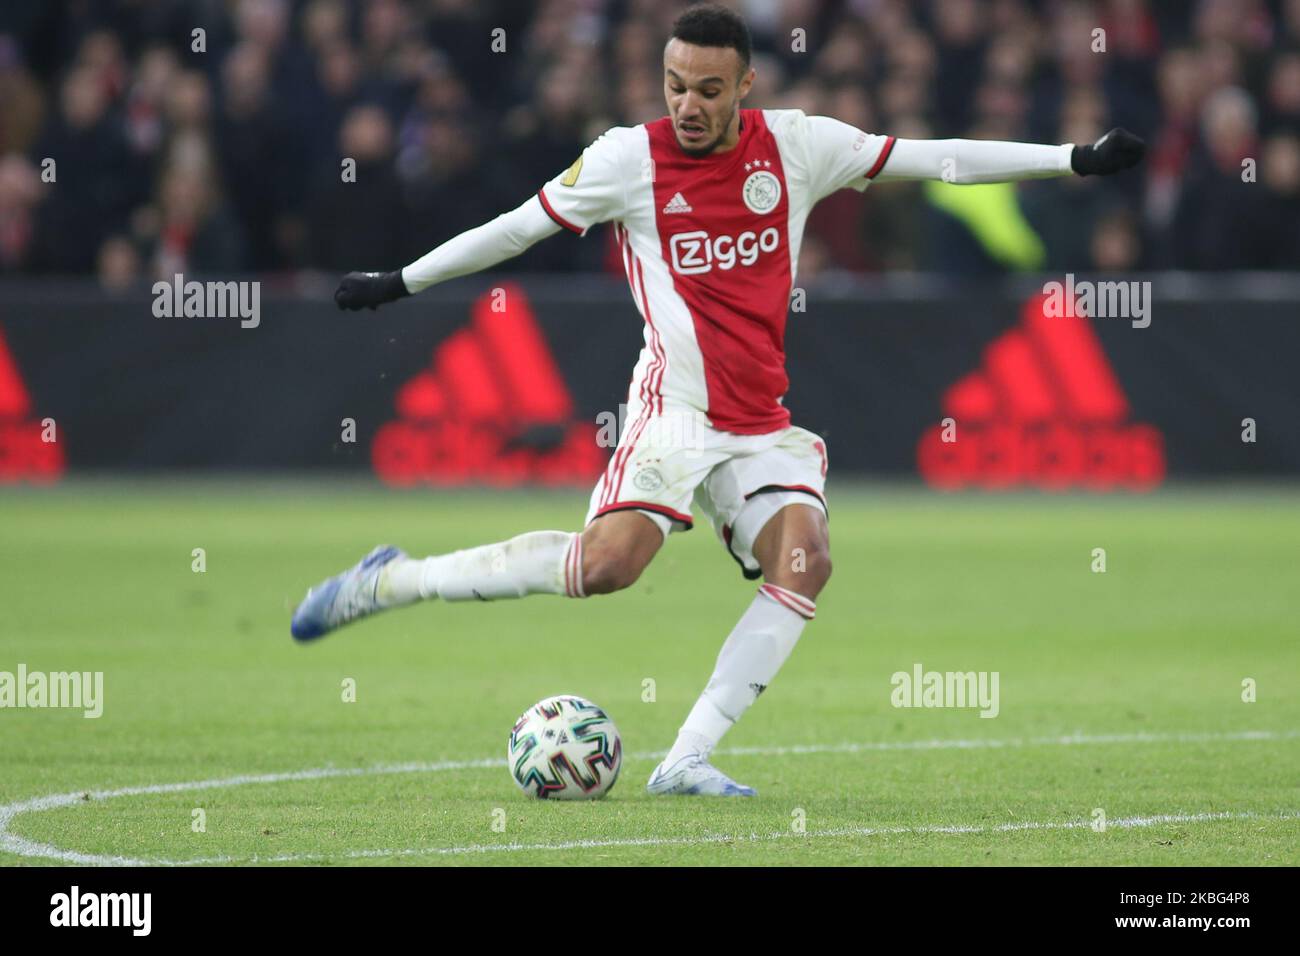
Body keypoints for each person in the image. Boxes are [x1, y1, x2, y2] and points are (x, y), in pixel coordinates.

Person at [291, 3, 1144, 796]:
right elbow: (518, 226)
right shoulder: (630, 159)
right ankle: (394, 583)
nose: (688, 104)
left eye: (707, 88)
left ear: (745, 86)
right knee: (608, 568)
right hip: (675, 411)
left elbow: (936, 159)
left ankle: (687, 757)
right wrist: (401, 282)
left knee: (805, 558)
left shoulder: (799, 147)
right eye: (675, 86)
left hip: (759, 419)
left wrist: (1071, 160)